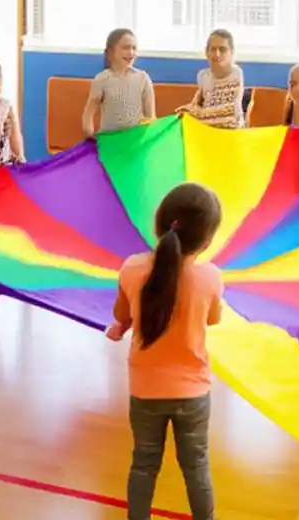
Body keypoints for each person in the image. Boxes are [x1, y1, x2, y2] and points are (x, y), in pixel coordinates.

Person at [106, 183, 225, 520]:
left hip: (146, 390)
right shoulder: (211, 278)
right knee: (196, 466)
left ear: (158, 225)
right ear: (206, 241)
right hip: (193, 391)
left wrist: (122, 326)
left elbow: (121, 314)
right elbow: (213, 319)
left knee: (144, 464)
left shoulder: (131, 268)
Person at [83, 28, 156, 138]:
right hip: (109, 140)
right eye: (125, 48)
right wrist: (90, 135)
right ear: (111, 51)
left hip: (135, 140)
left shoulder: (143, 78)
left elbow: (151, 117)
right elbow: (88, 113)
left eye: (134, 48)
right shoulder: (102, 79)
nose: (131, 52)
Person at [179, 29, 246, 128]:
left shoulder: (236, 73)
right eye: (213, 49)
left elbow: (231, 112)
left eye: (222, 49)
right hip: (207, 128)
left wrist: (201, 114)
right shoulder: (202, 75)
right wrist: (188, 111)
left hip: (232, 131)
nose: (217, 54)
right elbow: (196, 104)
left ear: (231, 52)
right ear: (207, 53)